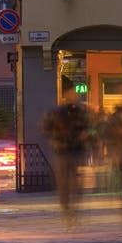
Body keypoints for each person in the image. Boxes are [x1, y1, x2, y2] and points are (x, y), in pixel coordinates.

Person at [42, 91, 90, 222]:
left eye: (75, 94)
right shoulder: (57, 113)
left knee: (75, 181)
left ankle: (73, 207)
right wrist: (55, 138)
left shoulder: (80, 112)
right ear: (66, 96)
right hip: (62, 150)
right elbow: (46, 127)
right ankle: (66, 207)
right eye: (71, 94)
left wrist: (84, 135)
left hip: (75, 150)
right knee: (63, 181)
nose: (74, 96)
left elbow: (86, 128)